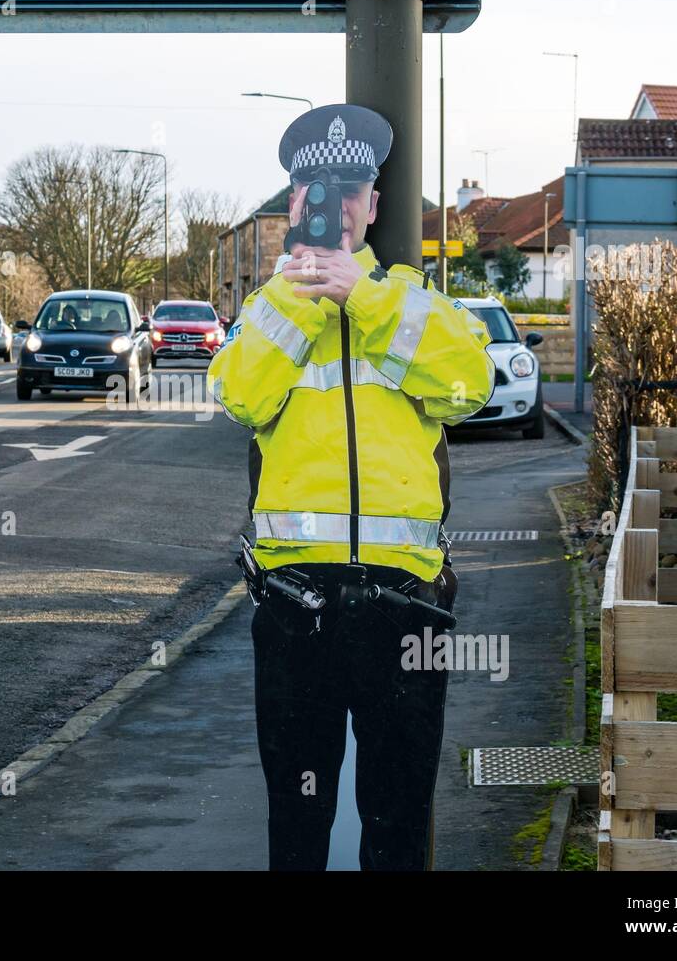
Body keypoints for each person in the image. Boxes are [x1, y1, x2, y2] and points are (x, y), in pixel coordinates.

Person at [207, 103, 496, 871]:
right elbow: (239, 398)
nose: (334, 206)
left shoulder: (413, 302)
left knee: (398, 827)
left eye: (350, 190)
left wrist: (361, 299)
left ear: (373, 205)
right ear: (295, 205)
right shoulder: (270, 312)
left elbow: (468, 384)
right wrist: (300, 295)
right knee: (297, 830)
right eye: (313, 192)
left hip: (405, 608)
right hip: (295, 605)